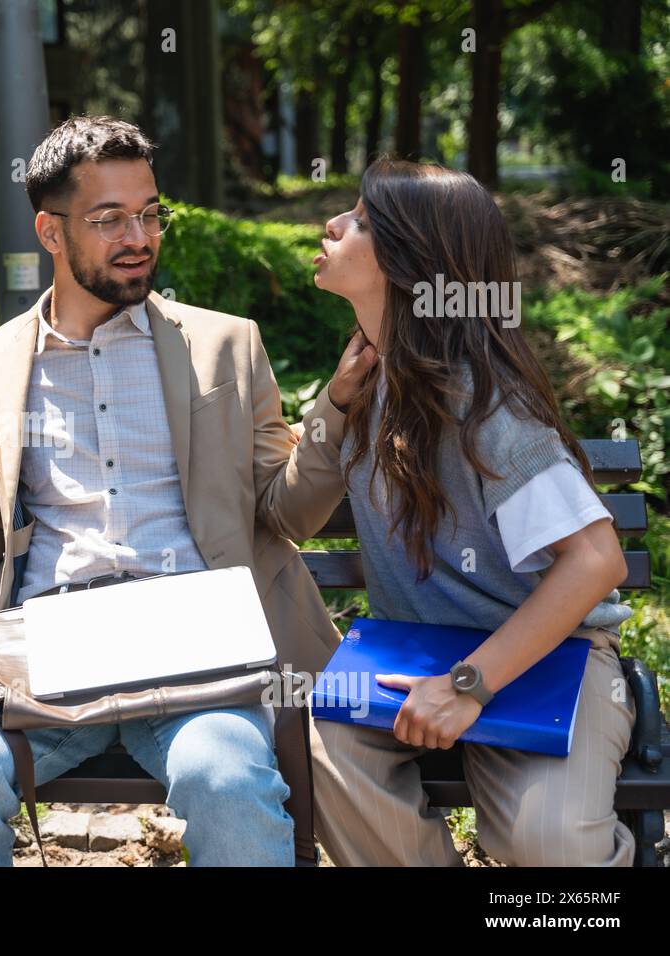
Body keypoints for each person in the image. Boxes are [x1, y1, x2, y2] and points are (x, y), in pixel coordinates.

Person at [0, 116, 375, 866]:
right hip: (47, 653)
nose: (140, 236)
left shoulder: (225, 344)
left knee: (225, 777)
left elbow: (288, 513)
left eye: (150, 213)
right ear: (50, 233)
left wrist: (337, 408)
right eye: (110, 218)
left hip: (198, 655)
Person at [306, 157, 635, 866]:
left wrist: (468, 685)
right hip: (410, 660)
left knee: (549, 846)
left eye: (361, 220)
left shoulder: (489, 412)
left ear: (408, 261)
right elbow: (283, 504)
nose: (333, 225)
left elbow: (597, 559)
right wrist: (334, 400)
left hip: (549, 662)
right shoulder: (370, 383)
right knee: (323, 748)